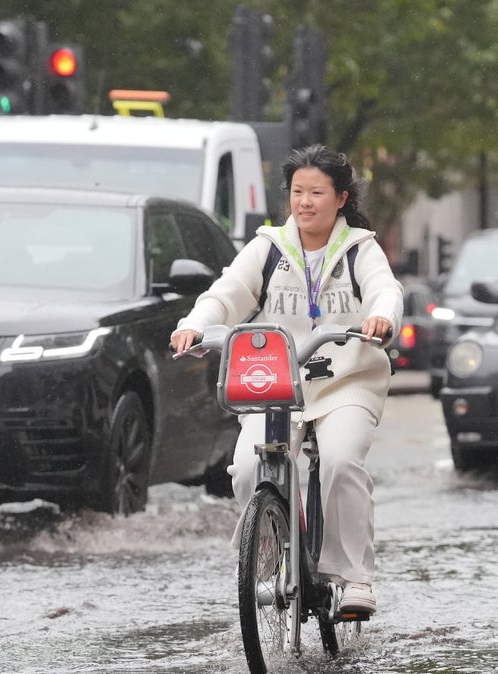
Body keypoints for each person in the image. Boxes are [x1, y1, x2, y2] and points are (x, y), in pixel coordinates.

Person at [170, 144, 404, 616]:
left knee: (340, 461)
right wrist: (194, 324)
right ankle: (270, 548)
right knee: (247, 466)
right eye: (298, 192)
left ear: (340, 198)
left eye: (317, 192)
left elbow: (386, 290)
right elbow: (227, 293)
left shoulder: (360, 249)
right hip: (276, 383)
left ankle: (353, 578)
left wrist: (381, 318)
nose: (305, 202)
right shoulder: (268, 247)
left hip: (347, 380)